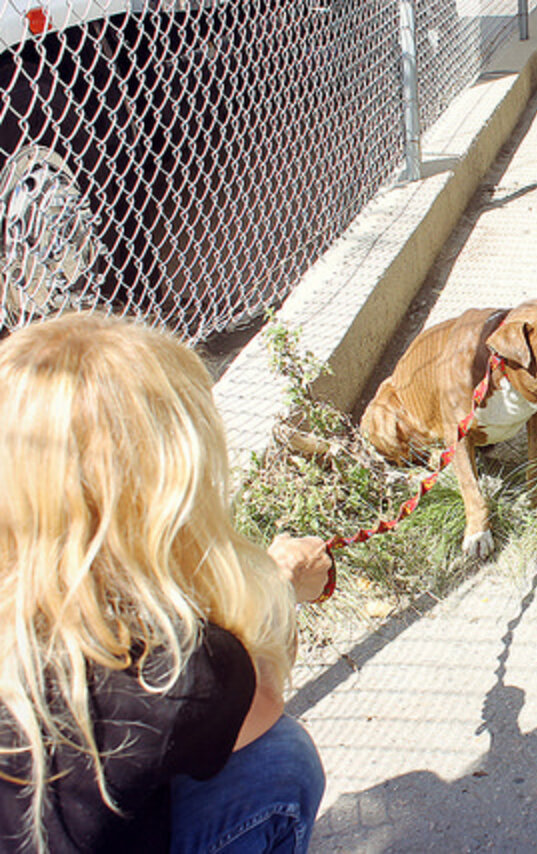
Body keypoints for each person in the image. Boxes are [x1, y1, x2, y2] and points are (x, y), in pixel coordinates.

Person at [0, 313, 331, 852]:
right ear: (168, 493)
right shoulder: (172, 671)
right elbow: (261, 704)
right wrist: (279, 585)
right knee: (282, 761)